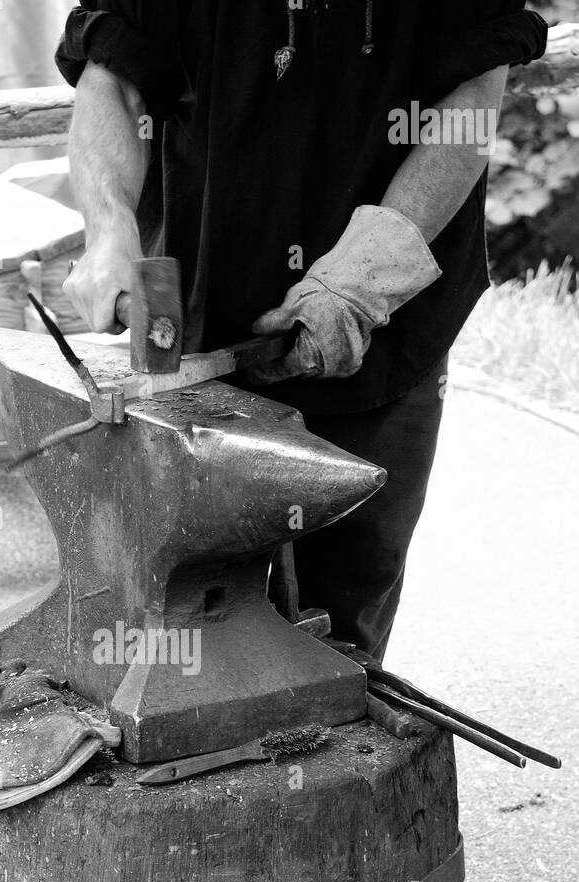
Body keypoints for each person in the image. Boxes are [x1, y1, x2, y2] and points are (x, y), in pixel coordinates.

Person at [55, 0, 548, 659]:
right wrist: (109, 227)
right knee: (189, 614)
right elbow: (113, 73)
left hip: (385, 320)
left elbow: (471, 93)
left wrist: (364, 274)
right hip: (199, 296)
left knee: (343, 614)